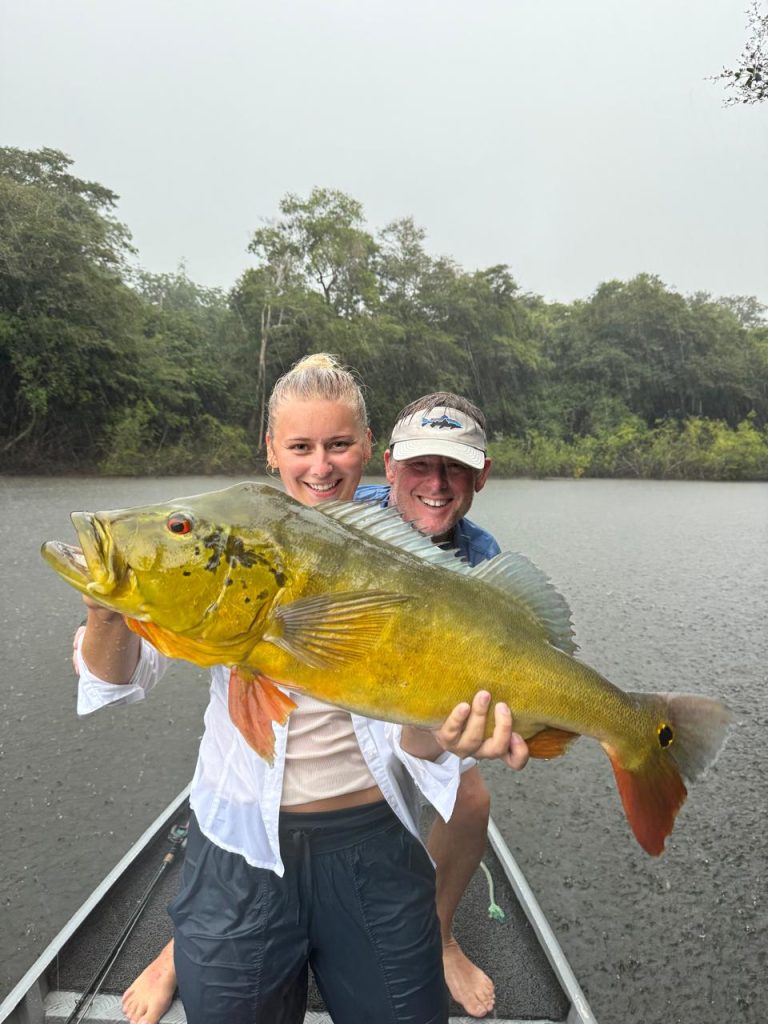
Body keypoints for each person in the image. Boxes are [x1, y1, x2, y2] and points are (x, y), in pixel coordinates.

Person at [76, 355, 525, 1024]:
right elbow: (113, 680)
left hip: (372, 843)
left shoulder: (409, 551)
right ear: (271, 450)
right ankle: (183, 944)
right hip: (239, 844)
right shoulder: (229, 540)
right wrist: (105, 608)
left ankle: (436, 936)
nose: (321, 466)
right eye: (300, 447)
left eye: (338, 445)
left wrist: (446, 728)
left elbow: (418, 738)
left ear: (367, 449)